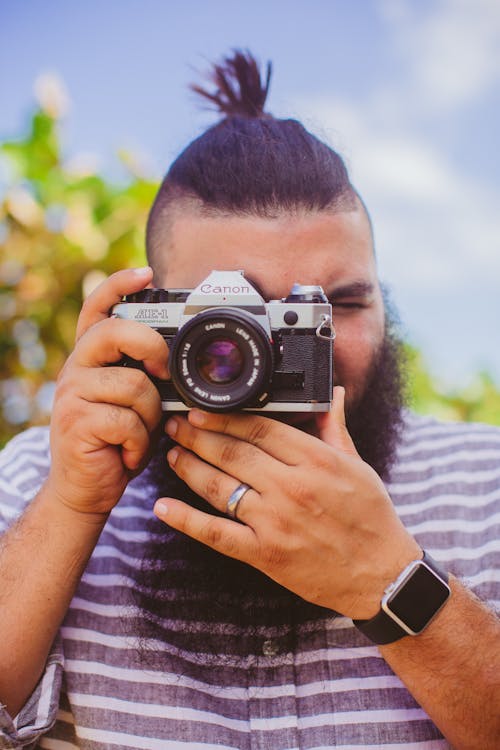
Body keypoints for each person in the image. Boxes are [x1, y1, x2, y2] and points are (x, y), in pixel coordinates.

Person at [0, 50, 499, 750]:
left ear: (385, 306)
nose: (288, 349)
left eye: (336, 307)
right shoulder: (40, 479)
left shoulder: (489, 483)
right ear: (150, 314)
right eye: (236, 317)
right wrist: (72, 507)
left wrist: (389, 581)